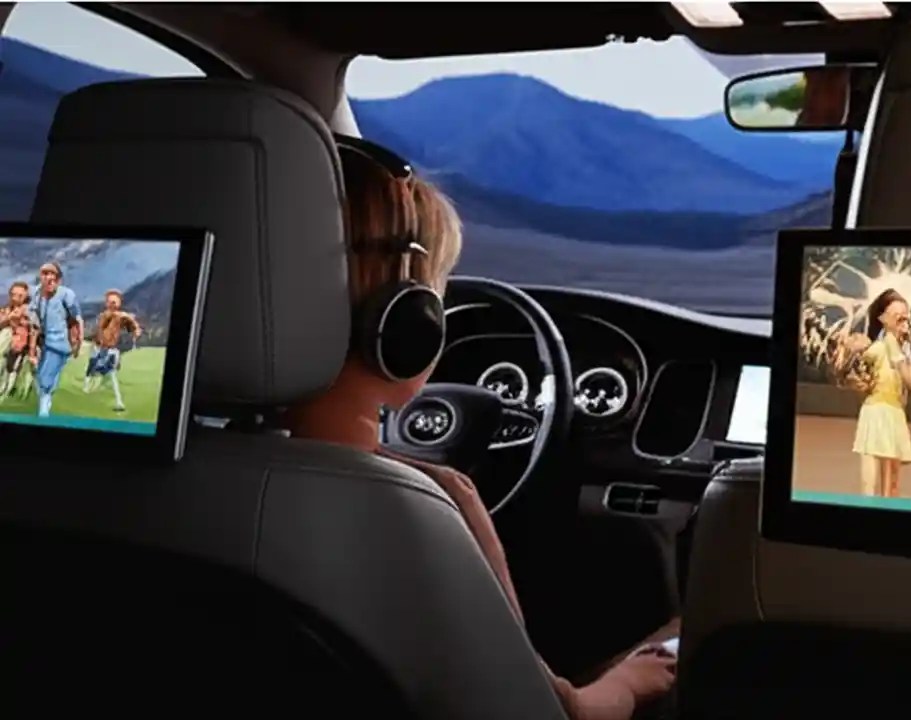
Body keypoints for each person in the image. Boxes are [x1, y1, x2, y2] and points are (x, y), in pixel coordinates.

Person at [281, 140, 676, 720]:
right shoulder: (436, 506)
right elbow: (549, 709)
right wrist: (630, 685)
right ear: (406, 325)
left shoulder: (167, 472)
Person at [850, 289, 911, 497]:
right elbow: (908, 378)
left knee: (890, 485)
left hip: (893, 412)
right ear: (882, 318)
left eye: (905, 317)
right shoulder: (887, 343)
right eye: (898, 317)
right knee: (874, 486)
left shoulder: (900, 347)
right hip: (879, 412)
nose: (904, 322)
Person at [30, 262, 83, 418]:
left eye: (53, 274)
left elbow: (77, 317)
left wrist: (78, 341)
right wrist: (32, 349)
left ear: (58, 278)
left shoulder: (67, 294)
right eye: (45, 274)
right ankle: (46, 401)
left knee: (45, 377)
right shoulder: (37, 296)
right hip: (44, 342)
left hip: (60, 343)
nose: (49, 278)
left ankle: (43, 412)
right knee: (45, 375)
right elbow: (34, 323)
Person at [83, 289, 143, 412]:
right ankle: (87, 386)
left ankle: (118, 401)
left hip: (110, 350)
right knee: (91, 368)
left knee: (112, 373)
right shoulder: (104, 316)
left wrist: (135, 329)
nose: (113, 304)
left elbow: (132, 325)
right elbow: (104, 322)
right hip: (97, 348)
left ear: (119, 303)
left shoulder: (121, 317)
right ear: (106, 303)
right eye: (110, 302)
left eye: (115, 302)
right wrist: (123, 316)